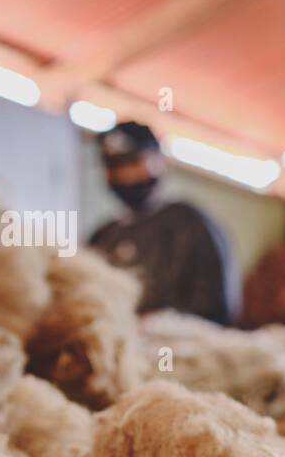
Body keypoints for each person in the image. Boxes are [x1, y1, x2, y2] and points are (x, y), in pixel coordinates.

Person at [89, 121, 240, 325]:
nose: (124, 174)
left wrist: (153, 325)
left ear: (158, 161)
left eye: (133, 162)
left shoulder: (191, 226)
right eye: (114, 166)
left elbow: (214, 311)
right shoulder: (101, 236)